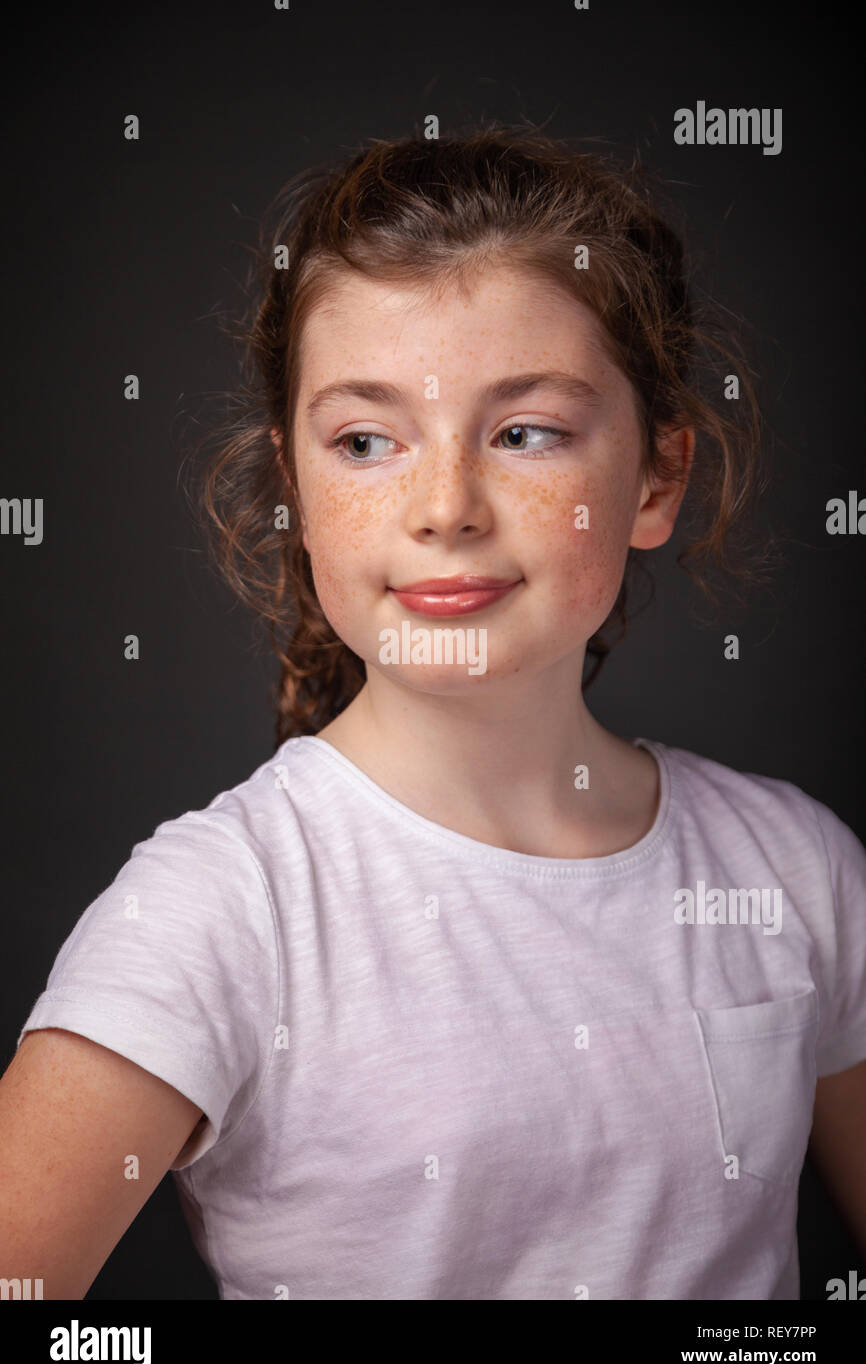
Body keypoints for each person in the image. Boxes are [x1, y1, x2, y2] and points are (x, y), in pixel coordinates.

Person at [2, 123, 865, 1301]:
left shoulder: (795, 869)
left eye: (524, 432)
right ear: (296, 492)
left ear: (656, 479)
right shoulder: (222, 909)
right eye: (365, 441)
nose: (444, 505)